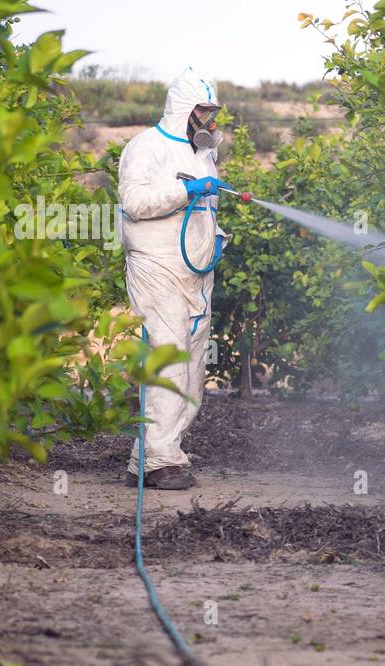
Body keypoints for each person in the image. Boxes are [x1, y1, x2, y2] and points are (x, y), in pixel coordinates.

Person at [117, 67, 230, 490]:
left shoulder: (204, 153)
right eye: (202, 111)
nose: (209, 120)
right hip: (156, 268)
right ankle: (161, 461)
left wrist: (217, 238)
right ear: (183, 109)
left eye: (212, 111)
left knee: (194, 369)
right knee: (168, 359)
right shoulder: (145, 147)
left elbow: (208, 208)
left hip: (196, 274)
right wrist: (185, 191)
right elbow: (133, 201)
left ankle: (149, 456)